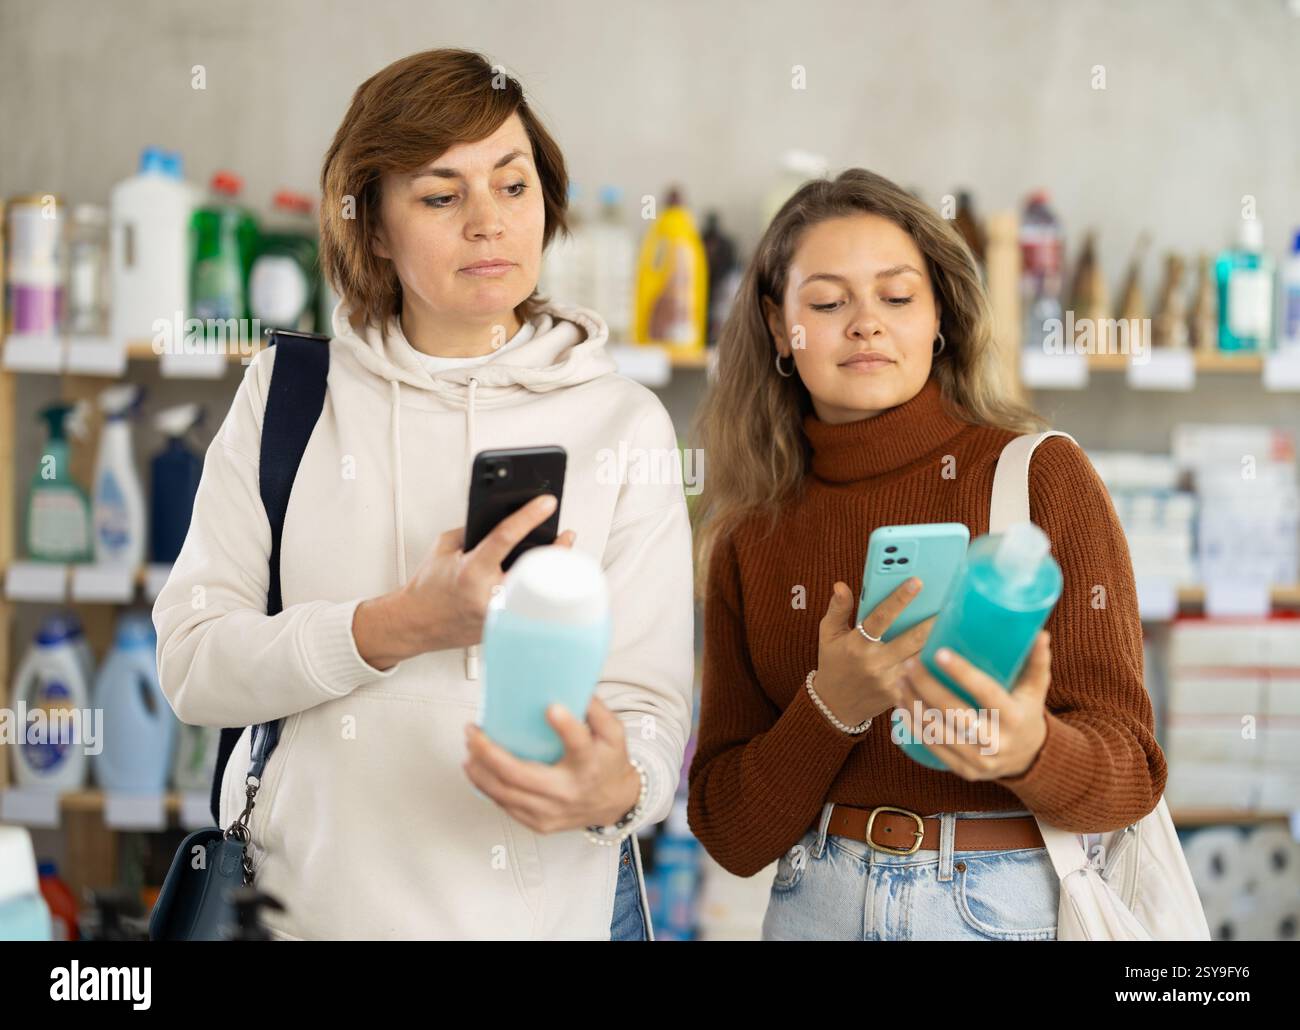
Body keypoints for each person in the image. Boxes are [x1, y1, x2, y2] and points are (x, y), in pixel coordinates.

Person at [153, 48, 693, 940]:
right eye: (441, 197)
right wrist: (399, 623)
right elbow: (192, 666)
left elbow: (649, 708)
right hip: (306, 918)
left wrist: (619, 788)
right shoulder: (288, 398)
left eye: (513, 187)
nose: (488, 223)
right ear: (371, 227)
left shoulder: (623, 423)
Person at [686, 167, 1167, 940]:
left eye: (898, 296)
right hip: (815, 906)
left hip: (999, 908)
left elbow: (1131, 775)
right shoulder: (750, 527)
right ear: (781, 329)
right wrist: (830, 707)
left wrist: (1028, 748)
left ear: (939, 314)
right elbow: (729, 832)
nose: (866, 323)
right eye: (828, 300)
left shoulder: (1040, 476)